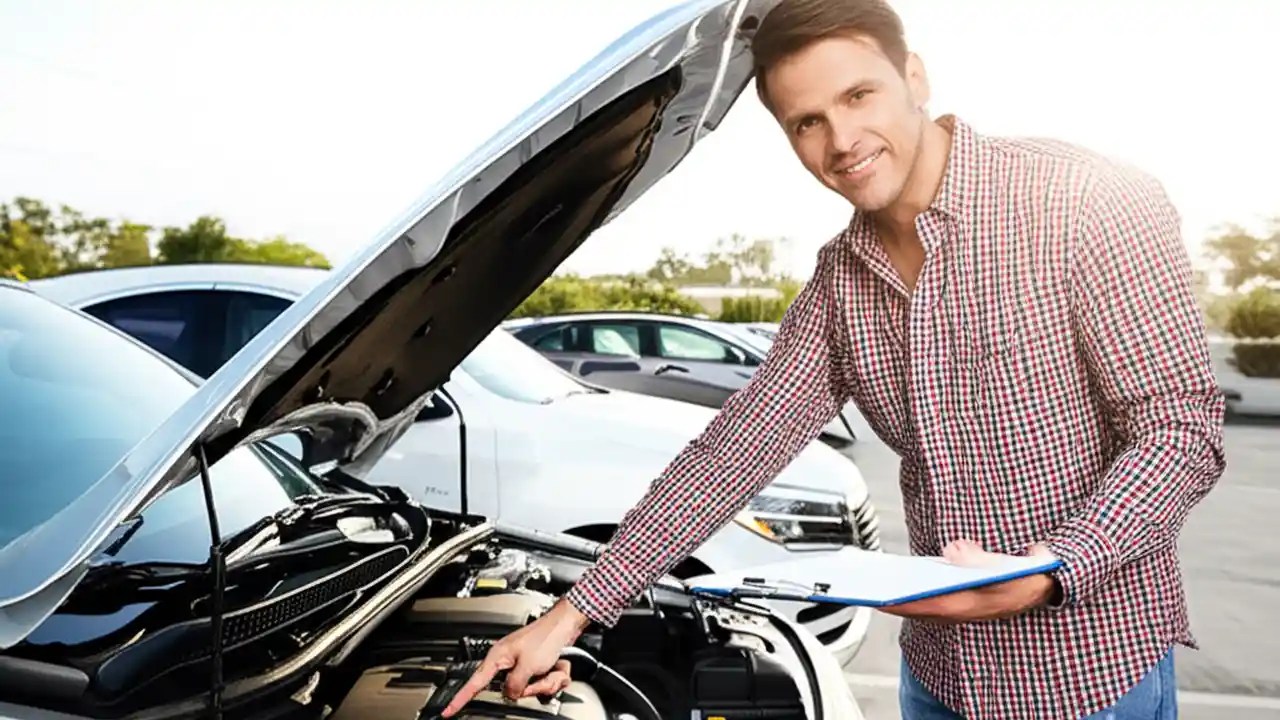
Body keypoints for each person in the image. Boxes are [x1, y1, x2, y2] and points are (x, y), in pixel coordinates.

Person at [443, 0, 1226, 717]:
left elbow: (1180, 427)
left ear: (913, 76)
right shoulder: (838, 284)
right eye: (806, 122)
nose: (842, 141)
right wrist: (570, 615)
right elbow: (731, 457)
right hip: (940, 679)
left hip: (1089, 674)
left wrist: (1053, 567)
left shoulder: (1082, 197)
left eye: (859, 97)